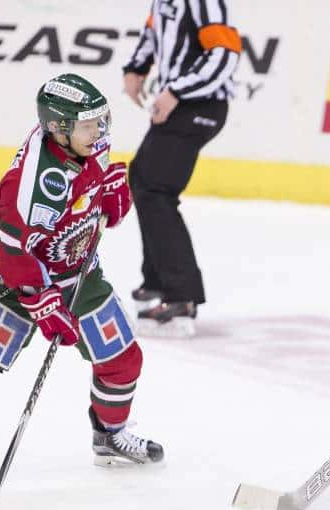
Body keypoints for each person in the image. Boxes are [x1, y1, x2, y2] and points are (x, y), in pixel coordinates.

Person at [0, 73, 163, 467]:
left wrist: (108, 195)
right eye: (88, 125)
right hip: (18, 281)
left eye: (100, 121)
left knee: (123, 359)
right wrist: (39, 298)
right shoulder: (34, 182)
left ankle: (110, 435)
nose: (98, 131)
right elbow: (9, 247)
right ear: (59, 128)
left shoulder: (89, 143)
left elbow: (92, 192)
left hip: (78, 274)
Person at [122, 0, 242, 336]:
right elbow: (154, 30)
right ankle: (158, 282)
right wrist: (136, 67)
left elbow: (225, 55)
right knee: (143, 178)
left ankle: (180, 296)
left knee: (155, 188)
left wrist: (176, 91)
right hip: (182, 104)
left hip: (201, 104)